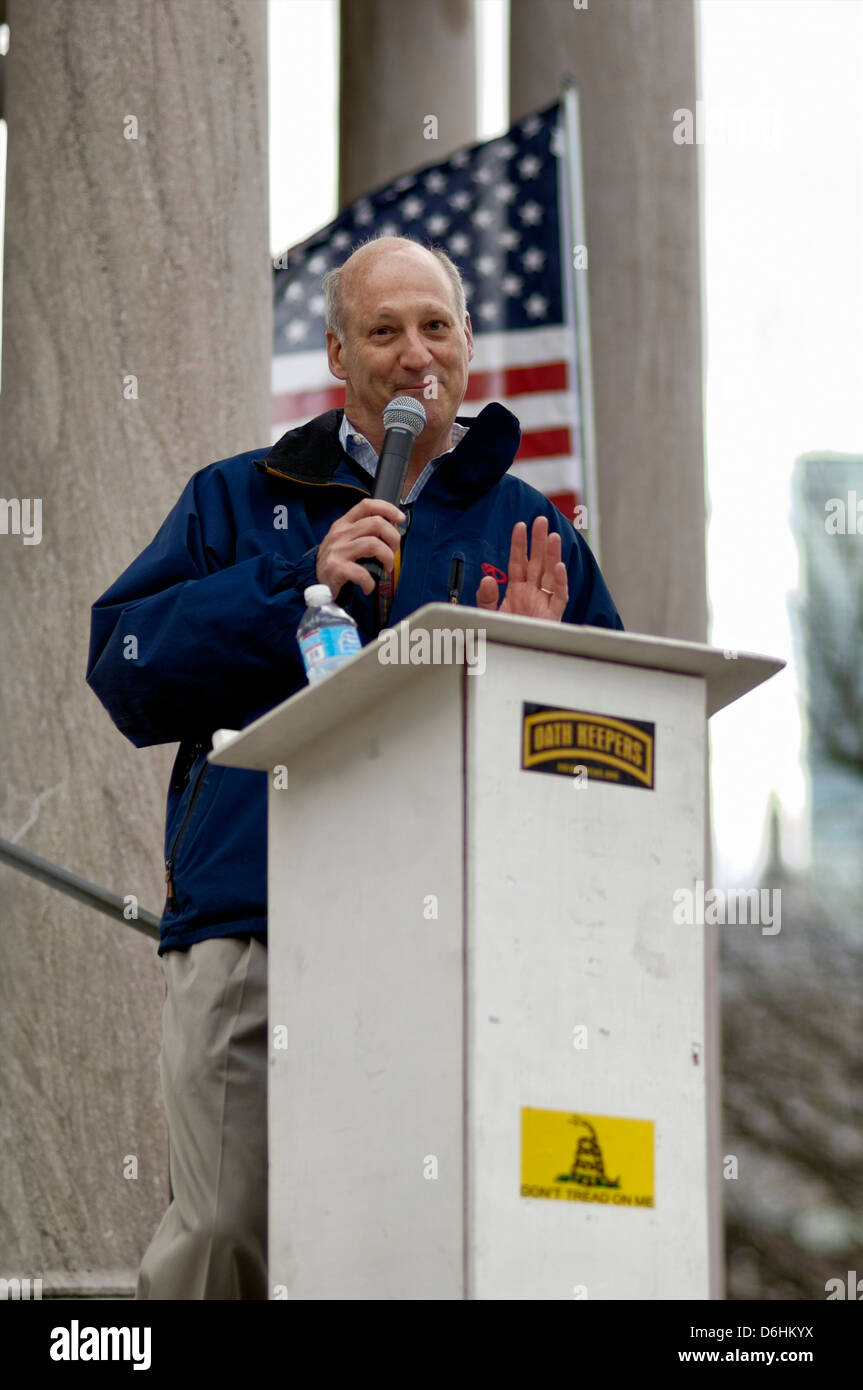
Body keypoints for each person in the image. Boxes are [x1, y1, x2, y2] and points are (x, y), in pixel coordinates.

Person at [86, 234, 624, 1300]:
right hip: (257, 920)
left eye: (435, 325)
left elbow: (605, 777)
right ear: (339, 354)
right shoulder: (236, 500)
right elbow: (125, 666)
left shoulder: (532, 532)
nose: (414, 354)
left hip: (450, 934)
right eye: (383, 331)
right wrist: (294, 584)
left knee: (409, 1234)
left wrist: (529, 666)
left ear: (467, 342)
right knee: (229, 1225)